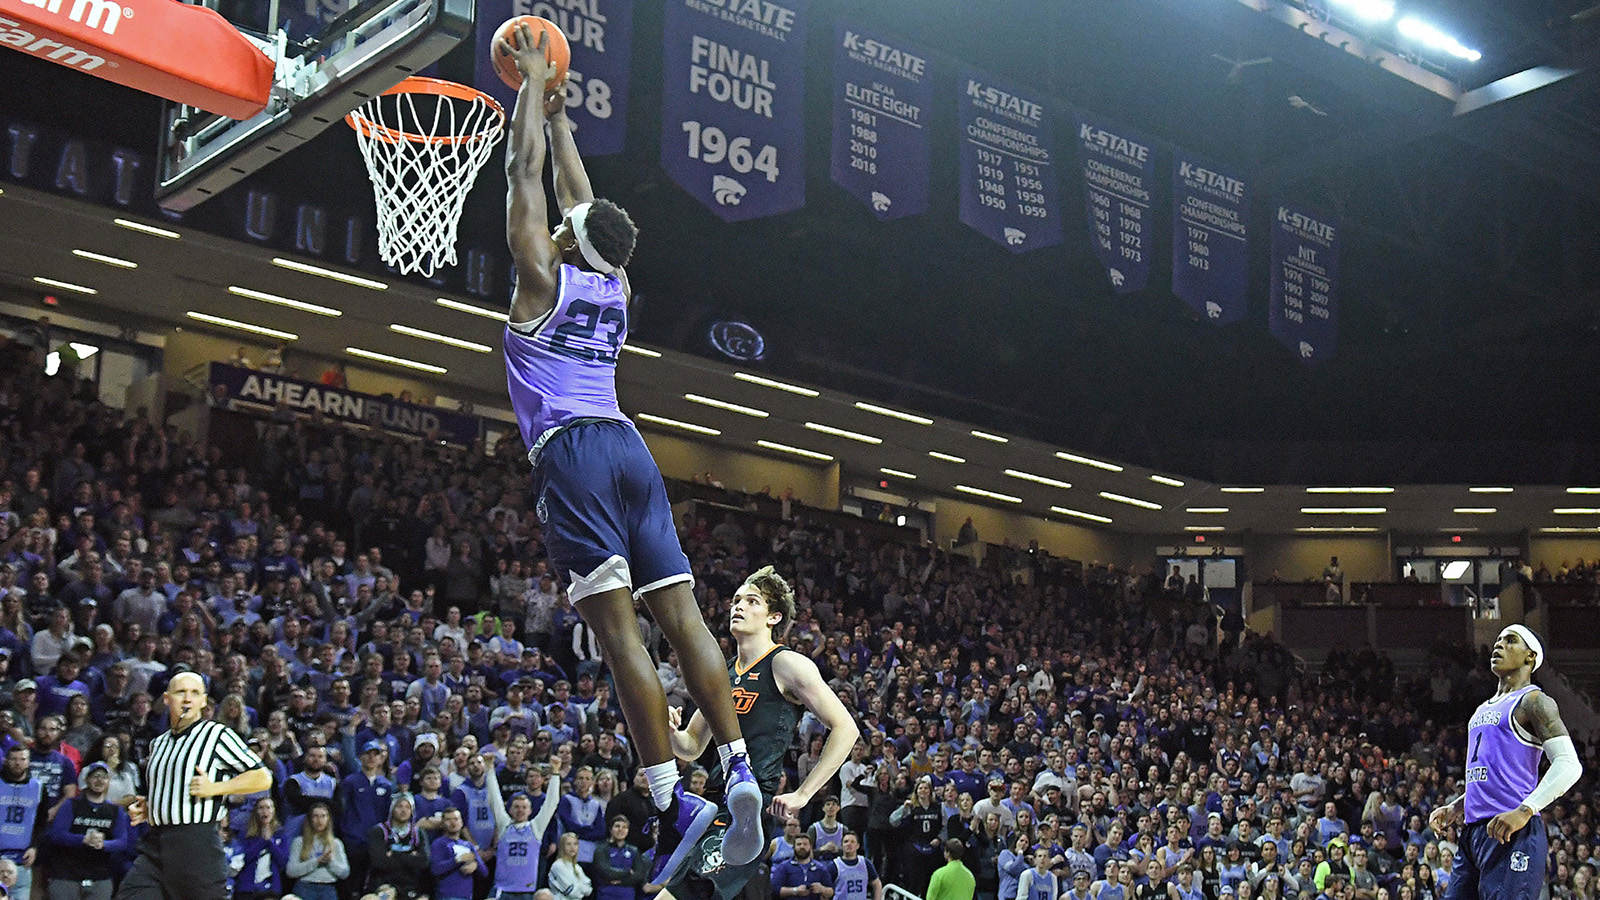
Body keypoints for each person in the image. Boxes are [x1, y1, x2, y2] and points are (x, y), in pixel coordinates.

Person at [495, 23, 761, 882]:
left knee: (621, 640)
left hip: (572, 456)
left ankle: (669, 798)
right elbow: (583, 200)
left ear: (570, 239)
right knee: (681, 615)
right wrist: (569, 124)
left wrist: (533, 87)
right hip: (630, 448)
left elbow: (521, 176)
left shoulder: (543, 276)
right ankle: (737, 766)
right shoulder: (615, 283)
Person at [665, 566, 861, 900]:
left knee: (684, 894)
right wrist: (669, 730)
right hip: (714, 800)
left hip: (752, 805)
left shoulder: (786, 664)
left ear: (774, 618)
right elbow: (692, 746)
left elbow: (846, 728)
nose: (738, 606)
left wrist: (803, 794)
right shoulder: (723, 671)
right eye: (737, 600)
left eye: (752, 601)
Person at [1429, 626, 1582, 900]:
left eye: (1511, 641)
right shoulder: (1481, 709)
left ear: (1530, 657)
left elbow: (1570, 764)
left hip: (1513, 831)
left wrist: (1525, 811)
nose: (1499, 645)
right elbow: (1491, 775)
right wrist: (1456, 806)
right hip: (1474, 832)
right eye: (1498, 640)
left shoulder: (1535, 702)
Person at [115, 671, 273, 900]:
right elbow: (172, 789)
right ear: (167, 699)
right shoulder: (158, 743)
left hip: (196, 845)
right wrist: (152, 807)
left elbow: (262, 776)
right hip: (155, 844)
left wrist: (215, 788)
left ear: (202, 701)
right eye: (181, 693)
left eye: (194, 693)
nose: (188, 699)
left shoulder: (216, 734)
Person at [47, 761, 134, 900]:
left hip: (100, 875)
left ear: (109, 781)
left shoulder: (115, 811)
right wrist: (83, 840)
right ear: (87, 779)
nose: (99, 780)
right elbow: (56, 834)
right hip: (66, 874)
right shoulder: (72, 804)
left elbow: (122, 841)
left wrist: (104, 844)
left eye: (104, 777)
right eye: (95, 776)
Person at [489, 755, 564, 900]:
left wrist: (555, 772)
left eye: (524, 807)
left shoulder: (535, 828)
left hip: (527, 891)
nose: (520, 810)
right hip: (502, 890)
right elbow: (494, 799)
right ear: (510, 810)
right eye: (516, 807)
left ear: (530, 811)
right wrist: (489, 769)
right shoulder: (505, 825)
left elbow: (552, 802)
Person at [366, 792, 431, 898]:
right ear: (392, 809)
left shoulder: (418, 833)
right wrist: (411, 856)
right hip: (384, 884)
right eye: (399, 806)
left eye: (407, 807)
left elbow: (424, 861)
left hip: (411, 886)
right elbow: (379, 862)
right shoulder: (379, 831)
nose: (403, 810)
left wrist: (394, 855)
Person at [0, 744, 44, 900]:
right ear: (5, 760)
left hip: (22, 856)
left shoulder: (38, 787)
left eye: (22, 759)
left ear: (28, 762)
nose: (17, 763)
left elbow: (41, 821)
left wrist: (34, 846)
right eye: (13, 759)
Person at [286, 800, 349, 900]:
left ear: (328, 819)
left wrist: (330, 862)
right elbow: (291, 871)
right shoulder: (299, 842)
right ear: (310, 819)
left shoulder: (336, 843)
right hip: (305, 888)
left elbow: (345, 873)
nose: (319, 820)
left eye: (323, 816)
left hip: (328, 890)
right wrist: (316, 862)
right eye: (315, 816)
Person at [430, 807, 486, 900]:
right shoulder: (439, 843)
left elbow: (484, 872)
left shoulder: (468, 845)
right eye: (448, 819)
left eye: (456, 819)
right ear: (443, 824)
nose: (453, 823)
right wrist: (457, 860)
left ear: (461, 822)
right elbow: (435, 869)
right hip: (446, 896)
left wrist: (476, 865)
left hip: (467, 896)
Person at [593, 815, 647, 900]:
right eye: (617, 826)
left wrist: (621, 881)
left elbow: (639, 875)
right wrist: (628, 872)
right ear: (611, 829)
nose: (620, 830)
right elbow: (605, 872)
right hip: (606, 894)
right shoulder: (601, 849)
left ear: (628, 831)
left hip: (627, 895)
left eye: (624, 827)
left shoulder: (634, 851)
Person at [770, 833, 835, 900]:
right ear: (793, 847)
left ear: (810, 847)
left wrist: (822, 889)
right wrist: (795, 891)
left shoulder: (820, 868)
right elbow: (775, 890)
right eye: (799, 844)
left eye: (805, 844)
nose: (802, 847)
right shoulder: (783, 867)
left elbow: (831, 891)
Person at [833, 831, 882, 900]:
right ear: (841, 845)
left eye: (852, 842)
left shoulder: (865, 863)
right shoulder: (834, 865)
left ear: (857, 846)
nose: (849, 844)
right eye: (846, 841)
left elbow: (877, 883)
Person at [548, 832, 593, 900]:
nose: (572, 847)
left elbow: (589, 890)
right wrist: (581, 885)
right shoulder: (558, 866)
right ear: (562, 846)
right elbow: (571, 892)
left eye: (575, 844)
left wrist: (577, 886)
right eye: (568, 844)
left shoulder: (577, 867)